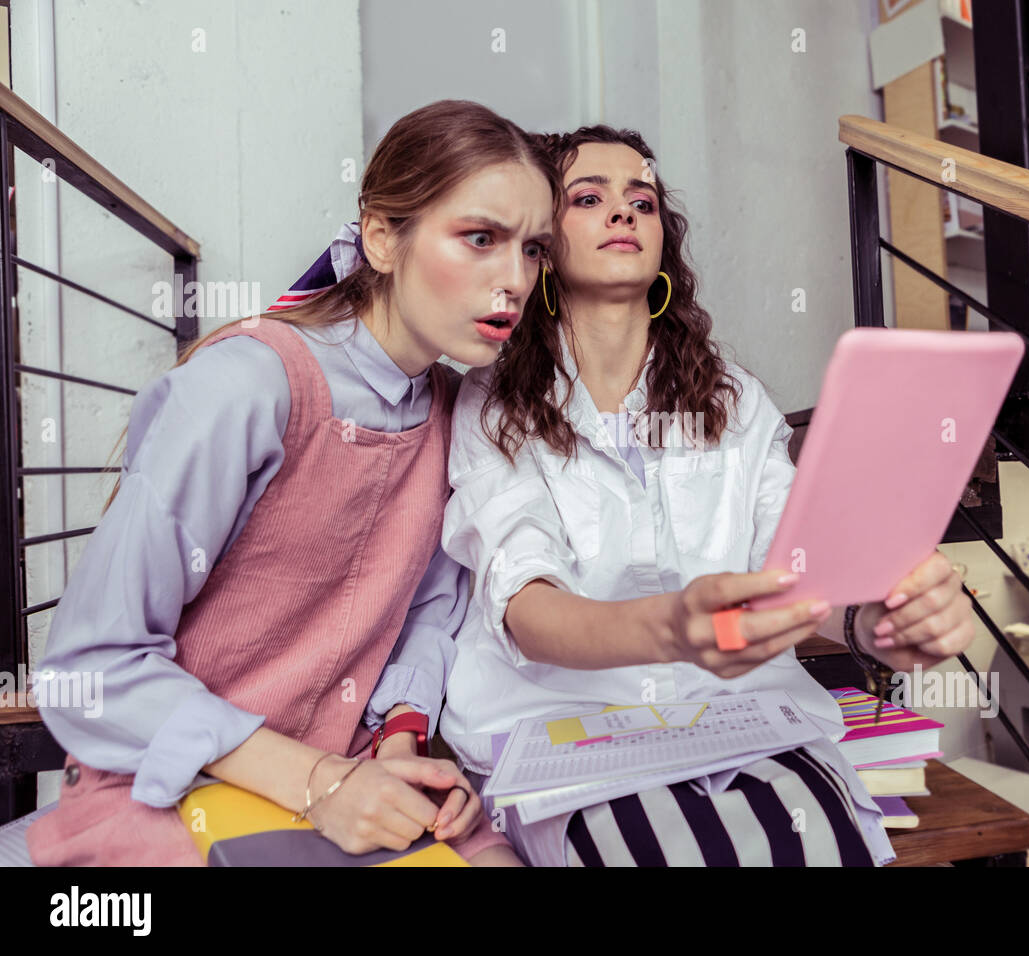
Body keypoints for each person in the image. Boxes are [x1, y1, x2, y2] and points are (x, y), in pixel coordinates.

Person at [26, 100, 559, 867]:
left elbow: (426, 611)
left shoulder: (455, 410)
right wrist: (316, 781)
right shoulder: (246, 386)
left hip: (353, 793)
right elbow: (90, 665)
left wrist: (396, 746)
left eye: (533, 249)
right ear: (381, 237)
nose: (514, 280)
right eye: (480, 238)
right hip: (177, 793)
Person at [434, 125, 976, 866]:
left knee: (819, 840)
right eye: (588, 198)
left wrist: (886, 622)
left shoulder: (734, 401)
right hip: (570, 735)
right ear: (541, 245)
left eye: (644, 200)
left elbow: (798, 573)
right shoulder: (492, 402)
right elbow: (527, 609)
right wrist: (672, 629)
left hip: (742, 720)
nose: (624, 213)